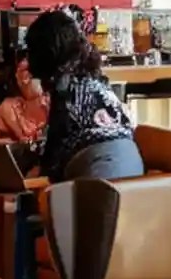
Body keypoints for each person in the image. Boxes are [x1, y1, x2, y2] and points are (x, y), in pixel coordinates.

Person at [24, 10, 143, 183]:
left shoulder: (65, 89)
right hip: (134, 176)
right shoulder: (96, 83)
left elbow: (52, 162)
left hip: (98, 181)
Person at [0, 56, 50, 144]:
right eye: (20, 76)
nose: (24, 81)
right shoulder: (7, 107)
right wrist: (15, 143)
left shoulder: (56, 105)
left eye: (29, 75)